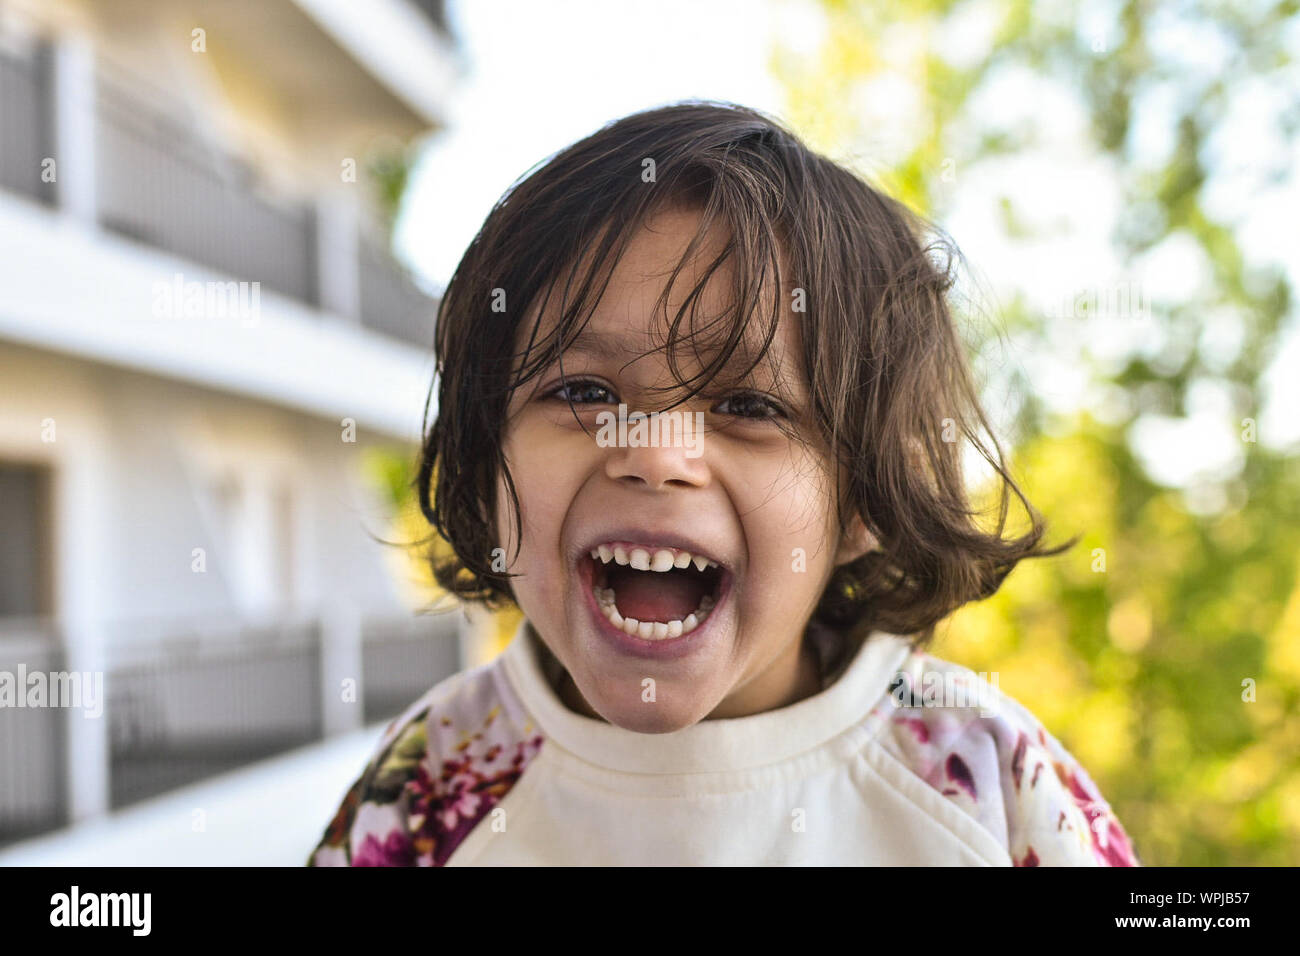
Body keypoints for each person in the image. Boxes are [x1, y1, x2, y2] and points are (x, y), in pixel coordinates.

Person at [308, 102, 1139, 866]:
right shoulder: (430, 786)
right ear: (491, 456)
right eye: (583, 393)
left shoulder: (990, 782)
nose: (654, 452)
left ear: (863, 504)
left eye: (749, 405)